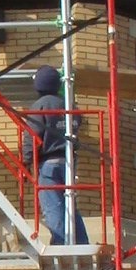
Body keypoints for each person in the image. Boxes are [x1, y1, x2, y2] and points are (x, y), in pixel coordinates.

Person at [22, 65, 89, 246]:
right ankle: (81, 242)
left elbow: (32, 136)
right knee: (69, 205)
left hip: (49, 164)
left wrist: (25, 161)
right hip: (69, 161)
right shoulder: (68, 105)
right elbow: (78, 122)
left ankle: (60, 244)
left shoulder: (40, 106)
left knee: (53, 205)